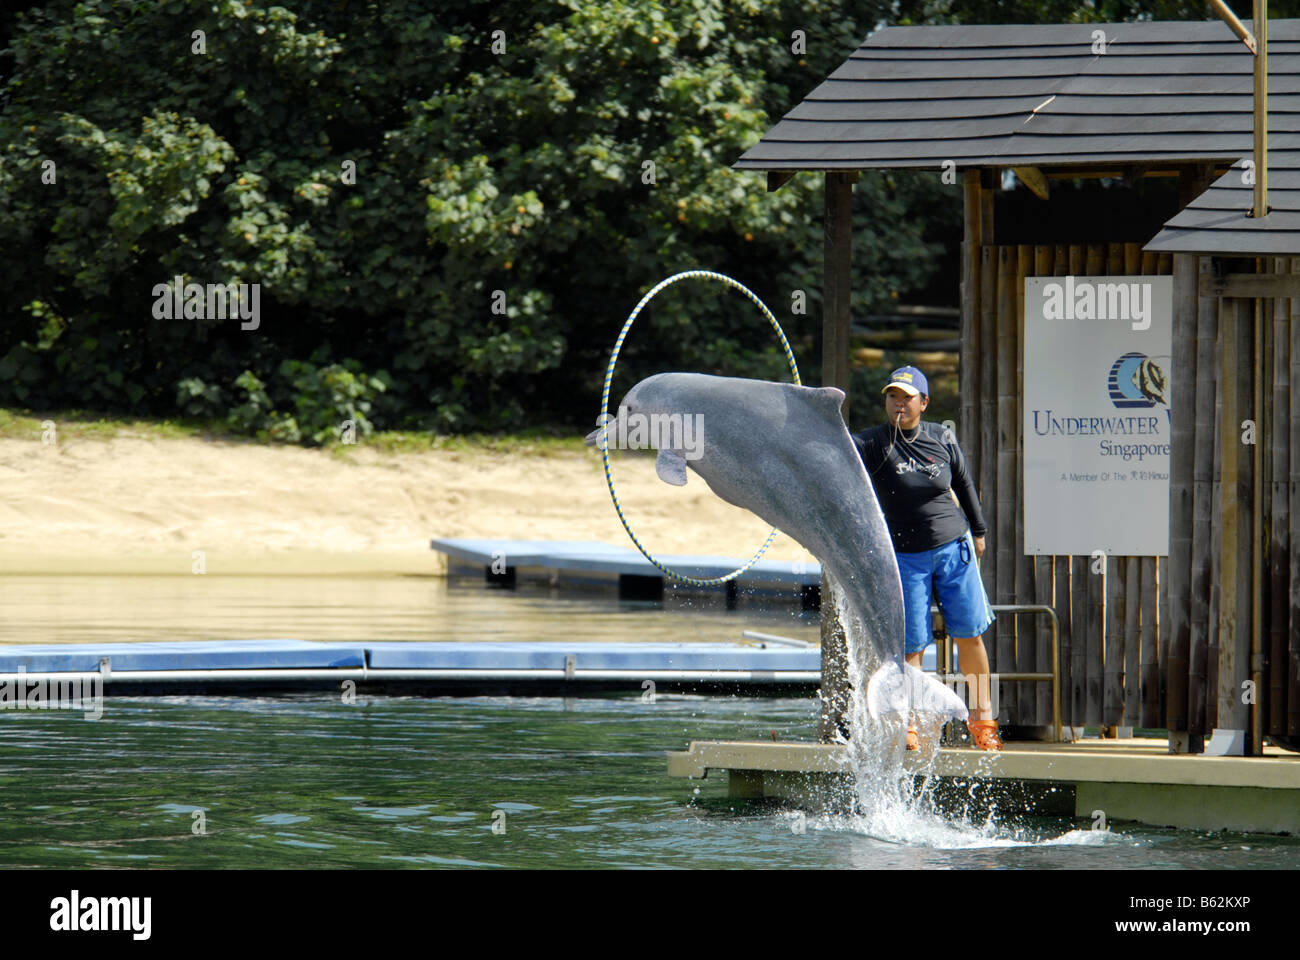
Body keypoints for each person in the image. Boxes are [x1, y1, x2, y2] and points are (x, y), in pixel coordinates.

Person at [852, 366, 1001, 751]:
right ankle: (911, 723)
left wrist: (979, 531)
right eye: (892, 396)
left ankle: (984, 720)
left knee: (969, 636)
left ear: (924, 403)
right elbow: (834, 453)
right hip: (906, 557)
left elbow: (963, 483)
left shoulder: (942, 436)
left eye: (907, 397)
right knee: (912, 646)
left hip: (953, 547)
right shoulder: (871, 443)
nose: (899, 404)